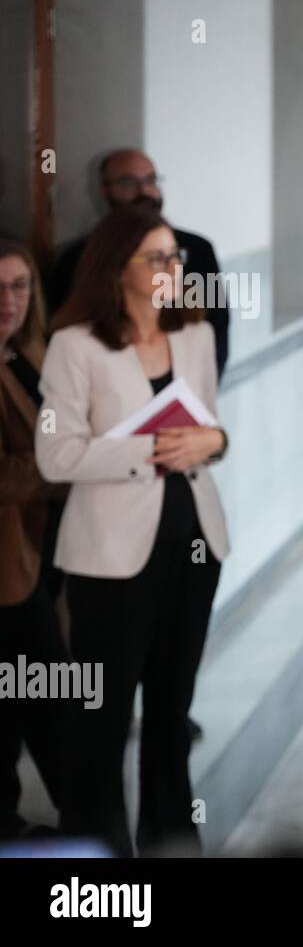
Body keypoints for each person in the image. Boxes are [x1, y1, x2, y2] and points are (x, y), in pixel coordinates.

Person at [36, 208, 229, 856]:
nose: (175, 269)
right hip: (109, 561)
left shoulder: (195, 335)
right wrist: (145, 449)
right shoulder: (75, 345)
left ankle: (173, 842)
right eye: (158, 258)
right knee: (101, 718)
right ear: (116, 269)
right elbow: (55, 458)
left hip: (195, 543)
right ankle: (96, 858)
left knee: (171, 716)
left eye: (177, 257)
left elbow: (209, 431)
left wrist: (215, 439)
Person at [46, 148, 230, 380]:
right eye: (128, 182)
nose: (143, 191)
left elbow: (218, 327)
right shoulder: (76, 260)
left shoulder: (198, 249)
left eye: (150, 180)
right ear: (105, 190)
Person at [0, 237, 69, 839]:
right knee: (50, 695)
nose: (9, 301)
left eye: (20, 286)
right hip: (7, 567)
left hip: (44, 553)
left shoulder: (31, 354)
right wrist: (71, 460)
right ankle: (86, 824)